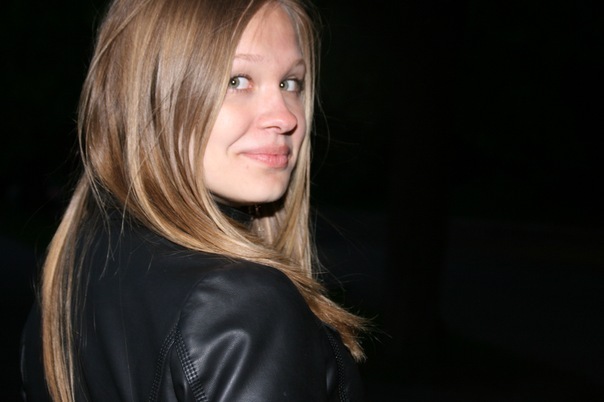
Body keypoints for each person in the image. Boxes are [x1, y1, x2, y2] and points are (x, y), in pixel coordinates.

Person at [20, 0, 366, 400]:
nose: (286, 117)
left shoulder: (72, 268)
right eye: (237, 80)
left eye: (290, 83)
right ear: (153, 94)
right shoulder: (239, 304)